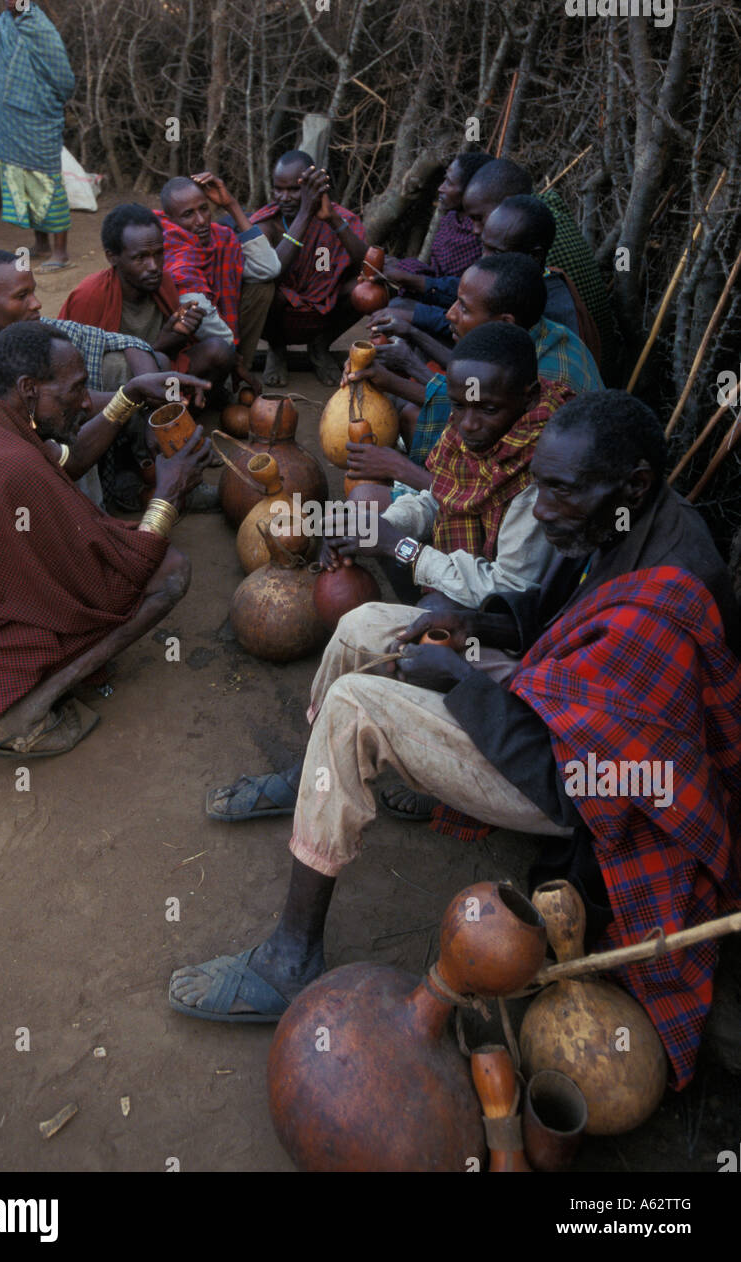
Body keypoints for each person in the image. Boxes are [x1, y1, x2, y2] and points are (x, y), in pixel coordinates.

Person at [171, 392, 741, 1097]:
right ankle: (310, 778)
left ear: (632, 486)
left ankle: (290, 959)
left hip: (573, 790)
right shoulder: (618, 523)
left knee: (357, 707)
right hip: (548, 710)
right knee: (368, 625)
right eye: (540, 483)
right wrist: (474, 630)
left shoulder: (662, 604)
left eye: (560, 490)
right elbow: (546, 624)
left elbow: (572, 783)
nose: (542, 505)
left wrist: (461, 682)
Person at [0, 322, 211, 757]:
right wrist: (169, 496)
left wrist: (132, 394)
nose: (86, 402)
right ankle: (25, 713)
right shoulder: (13, 467)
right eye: (75, 390)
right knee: (169, 574)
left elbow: (69, 461)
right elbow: (118, 581)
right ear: (29, 388)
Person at [321, 323, 571, 607]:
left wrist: (401, 547)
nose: (468, 424)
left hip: (511, 605)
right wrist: (381, 528)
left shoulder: (542, 470)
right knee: (384, 536)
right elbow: (438, 497)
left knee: (429, 604)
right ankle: (420, 614)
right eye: (458, 406)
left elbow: (510, 590)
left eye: (488, 409)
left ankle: (434, 625)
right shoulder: (476, 419)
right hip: (474, 564)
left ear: (528, 397)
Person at [349, 252, 603, 498]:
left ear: (505, 322)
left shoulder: (546, 387)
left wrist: (400, 468)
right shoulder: (533, 334)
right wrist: (411, 337)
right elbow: (478, 388)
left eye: (464, 308)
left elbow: (489, 493)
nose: (450, 313)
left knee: (409, 424)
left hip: (506, 507)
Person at [0, 249, 162, 425]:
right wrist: (134, 396)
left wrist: (156, 408)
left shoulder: (30, 327)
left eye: (33, 291)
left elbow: (127, 343)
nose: (36, 303)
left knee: (145, 362)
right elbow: (23, 413)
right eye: (22, 296)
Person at [60, 202, 251, 395]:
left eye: (159, 254)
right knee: (152, 363)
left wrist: (178, 335)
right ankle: (160, 411)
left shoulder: (163, 283)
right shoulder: (91, 295)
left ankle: (185, 403)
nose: (153, 266)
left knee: (218, 350)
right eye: (140, 257)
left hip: (163, 371)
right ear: (112, 257)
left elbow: (175, 354)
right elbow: (82, 368)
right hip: (119, 387)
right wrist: (160, 344)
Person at [461, 158, 613, 352]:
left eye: (479, 217)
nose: (475, 230)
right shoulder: (543, 216)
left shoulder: (533, 268)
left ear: (507, 203)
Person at [0, 0, 74, 271]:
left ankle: (60, 253)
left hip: (38, 119)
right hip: (13, 121)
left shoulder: (40, 28)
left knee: (47, 180)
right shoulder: (6, 22)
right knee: (24, 179)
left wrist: (44, 103)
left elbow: (63, 79)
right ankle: (41, 243)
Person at [250, 150, 368, 386]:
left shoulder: (337, 218)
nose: (284, 197)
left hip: (325, 312)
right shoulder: (266, 224)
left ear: (314, 188)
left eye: (294, 189)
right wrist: (304, 212)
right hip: (279, 316)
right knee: (264, 290)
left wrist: (333, 219)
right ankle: (277, 350)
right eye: (278, 189)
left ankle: (320, 346)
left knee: (368, 289)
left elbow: (367, 265)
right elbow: (271, 272)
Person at [156, 175, 279, 375]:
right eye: (188, 214)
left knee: (263, 288)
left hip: (222, 331)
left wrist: (232, 205)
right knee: (212, 338)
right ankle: (234, 371)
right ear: (171, 220)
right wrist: (231, 351)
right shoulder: (168, 244)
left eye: (204, 209)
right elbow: (195, 303)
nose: (201, 220)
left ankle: (237, 374)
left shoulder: (220, 237)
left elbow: (268, 268)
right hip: (180, 347)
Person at [384, 151, 490, 292]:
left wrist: (407, 278)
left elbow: (456, 288)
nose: (441, 188)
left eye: (450, 183)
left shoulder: (482, 234)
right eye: (445, 179)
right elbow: (435, 273)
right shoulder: (451, 219)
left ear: (471, 190)